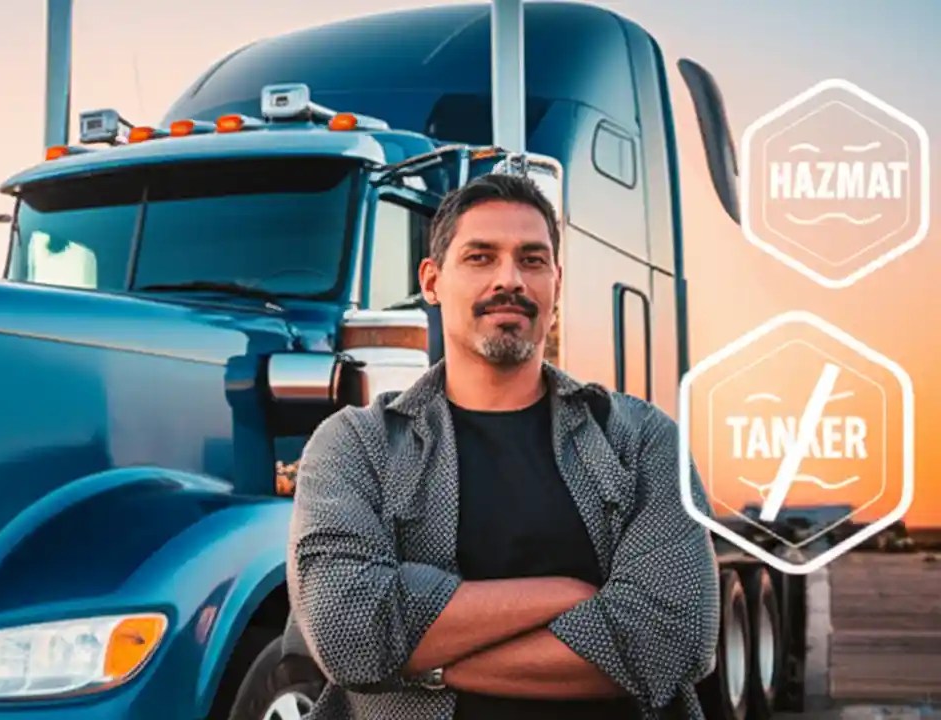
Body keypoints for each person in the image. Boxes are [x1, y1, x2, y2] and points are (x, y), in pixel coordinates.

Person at [285, 172, 721, 720]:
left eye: (532, 260)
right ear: (432, 280)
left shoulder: (641, 441)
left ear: (556, 284)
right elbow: (347, 634)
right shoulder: (358, 445)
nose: (509, 279)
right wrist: (568, 593)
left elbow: (677, 635)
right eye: (480, 257)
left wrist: (419, 663)